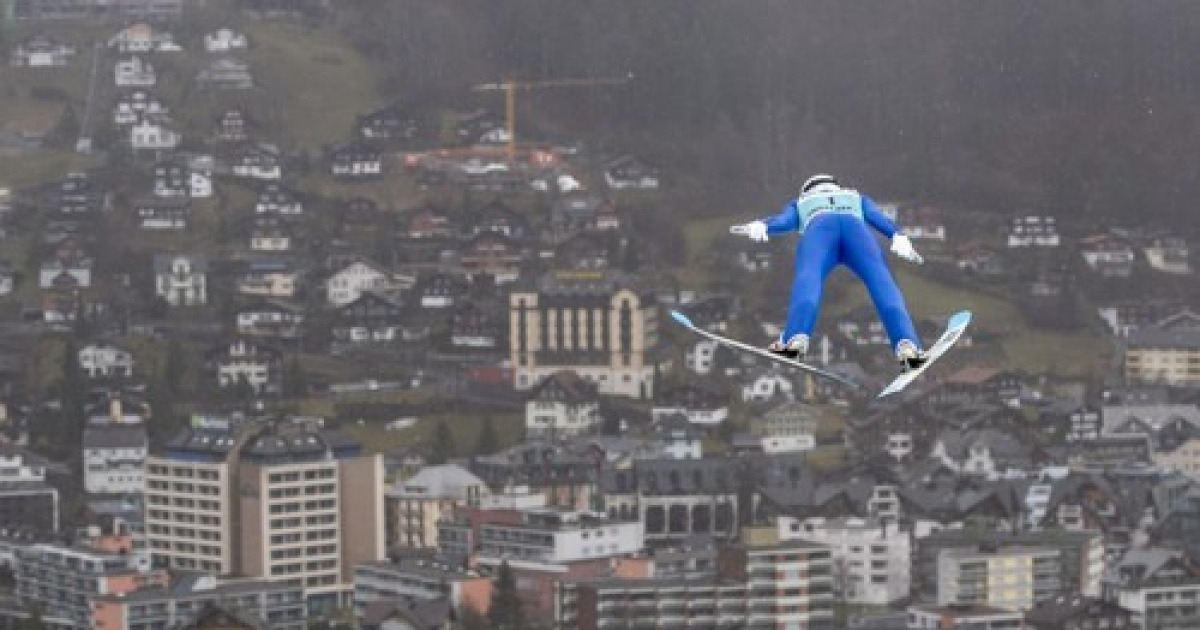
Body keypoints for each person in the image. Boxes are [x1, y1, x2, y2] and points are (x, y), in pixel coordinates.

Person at [732, 174, 928, 371]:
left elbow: (783, 221)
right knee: (882, 283)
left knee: (809, 278)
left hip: (820, 230)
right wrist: (897, 235)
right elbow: (878, 217)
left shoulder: (801, 203)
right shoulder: (856, 197)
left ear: (806, 190)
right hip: (857, 231)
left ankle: (795, 340)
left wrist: (763, 225)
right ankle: (907, 345)